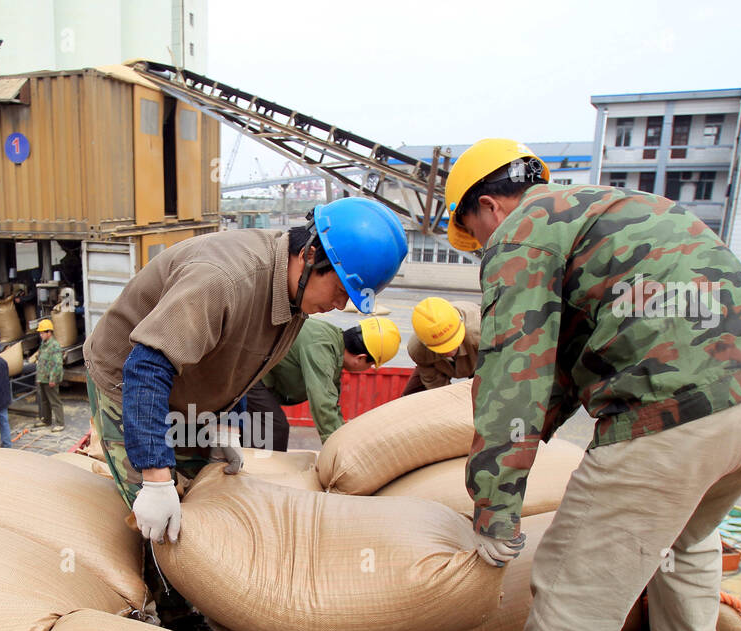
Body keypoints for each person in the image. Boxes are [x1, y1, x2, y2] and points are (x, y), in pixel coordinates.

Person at [448, 137, 741, 631]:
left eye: (475, 236)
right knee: (684, 544)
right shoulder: (616, 206)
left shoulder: (521, 232)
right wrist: (526, 452)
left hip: (677, 415)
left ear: (488, 206)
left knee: (572, 592)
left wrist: (495, 510)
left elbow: (512, 378)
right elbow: (561, 373)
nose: (483, 247)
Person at [83, 196, 408, 545]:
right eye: (341, 290)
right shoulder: (222, 281)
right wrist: (157, 480)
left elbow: (240, 361)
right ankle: (157, 591)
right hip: (129, 381)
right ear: (311, 255)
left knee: (196, 500)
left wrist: (225, 426)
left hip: (187, 389)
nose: (339, 305)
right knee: (159, 521)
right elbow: (147, 368)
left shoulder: (296, 293)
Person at [245, 317, 401, 451]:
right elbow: (322, 403)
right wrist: (339, 450)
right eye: (371, 364)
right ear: (360, 358)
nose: (369, 369)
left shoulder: (333, 342)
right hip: (247, 370)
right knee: (274, 428)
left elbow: (332, 400)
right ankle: (263, 477)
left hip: (257, 370)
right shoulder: (321, 349)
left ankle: (247, 465)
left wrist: (343, 436)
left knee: (261, 428)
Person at [401, 297, 480, 395]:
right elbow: (435, 385)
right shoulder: (418, 350)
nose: (448, 352)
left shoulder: (481, 332)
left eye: (452, 343)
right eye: (441, 348)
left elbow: (496, 372)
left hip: (480, 361)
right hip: (438, 368)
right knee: (410, 398)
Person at [35, 318, 65, 433]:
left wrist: (53, 379)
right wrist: (39, 377)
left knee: (54, 401)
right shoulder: (44, 345)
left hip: (50, 379)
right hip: (43, 378)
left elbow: (57, 364)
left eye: (42, 333)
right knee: (44, 401)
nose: (41, 335)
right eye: (40, 333)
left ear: (49, 332)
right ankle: (46, 420)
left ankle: (60, 423)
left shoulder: (54, 346)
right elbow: (41, 361)